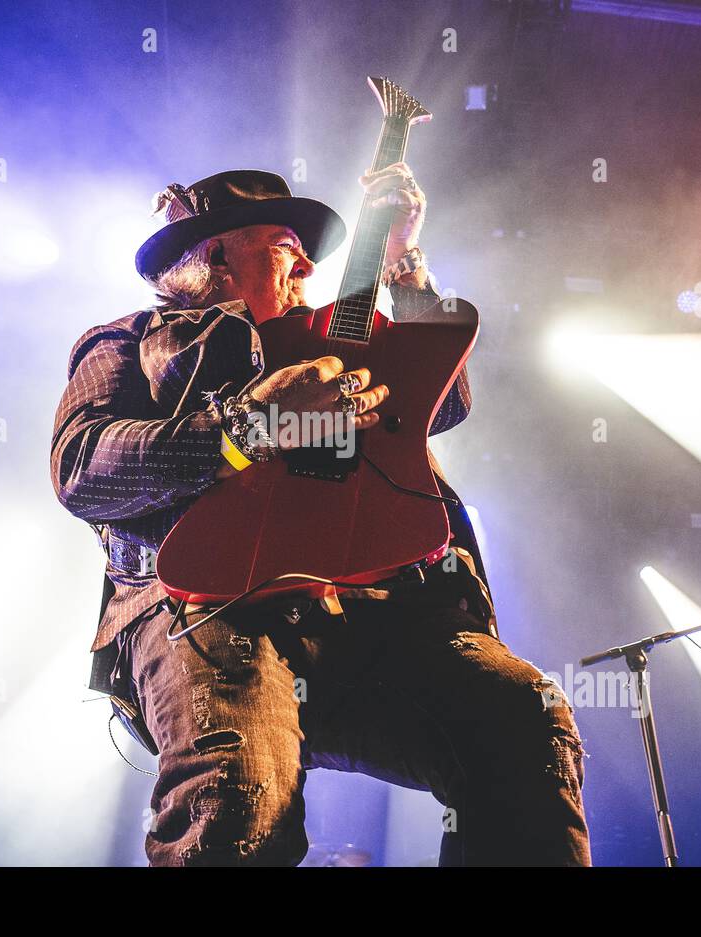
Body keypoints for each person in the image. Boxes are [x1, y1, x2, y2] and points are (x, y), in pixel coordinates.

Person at [50, 165, 591, 866]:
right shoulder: (128, 341)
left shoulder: (335, 341)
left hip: (375, 613)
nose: (308, 263)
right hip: (211, 609)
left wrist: (400, 261)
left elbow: (444, 399)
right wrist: (250, 426)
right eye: (284, 245)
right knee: (239, 800)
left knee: (524, 719)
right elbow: (83, 465)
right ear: (216, 255)